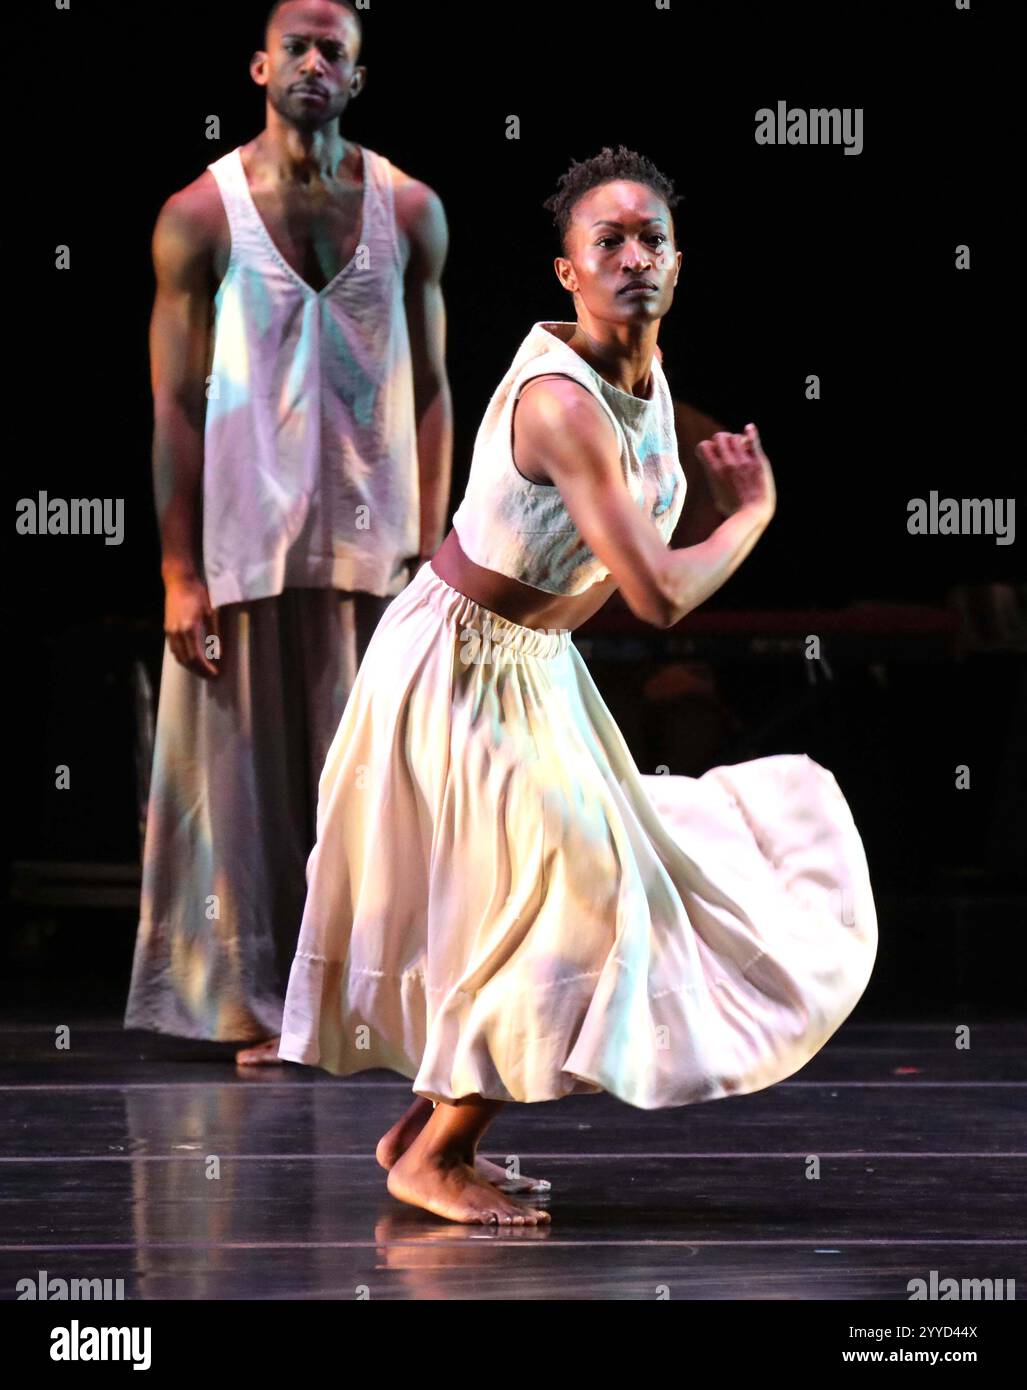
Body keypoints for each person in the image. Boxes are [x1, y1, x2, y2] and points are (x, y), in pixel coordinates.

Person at [276, 146, 878, 1224]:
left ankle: (423, 1134)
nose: (635, 257)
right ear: (568, 272)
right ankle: (434, 1151)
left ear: (679, 261)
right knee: (574, 900)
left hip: (534, 669)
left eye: (652, 238)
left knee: (551, 896)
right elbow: (652, 600)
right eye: (609, 242)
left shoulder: (644, 380)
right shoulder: (563, 404)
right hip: (457, 669)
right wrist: (751, 517)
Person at [124, 0, 452, 1063]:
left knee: (374, 787)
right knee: (237, 786)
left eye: (336, 53)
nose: (314, 64)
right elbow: (172, 401)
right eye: (297, 49)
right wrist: (178, 569)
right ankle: (247, 1004)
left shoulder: (408, 210)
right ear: (258, 66)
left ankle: (364, 1005)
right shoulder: (201, 213)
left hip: (375, 543)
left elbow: (438, 387)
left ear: (358, 78)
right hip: (244, 542)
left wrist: (438, 548)